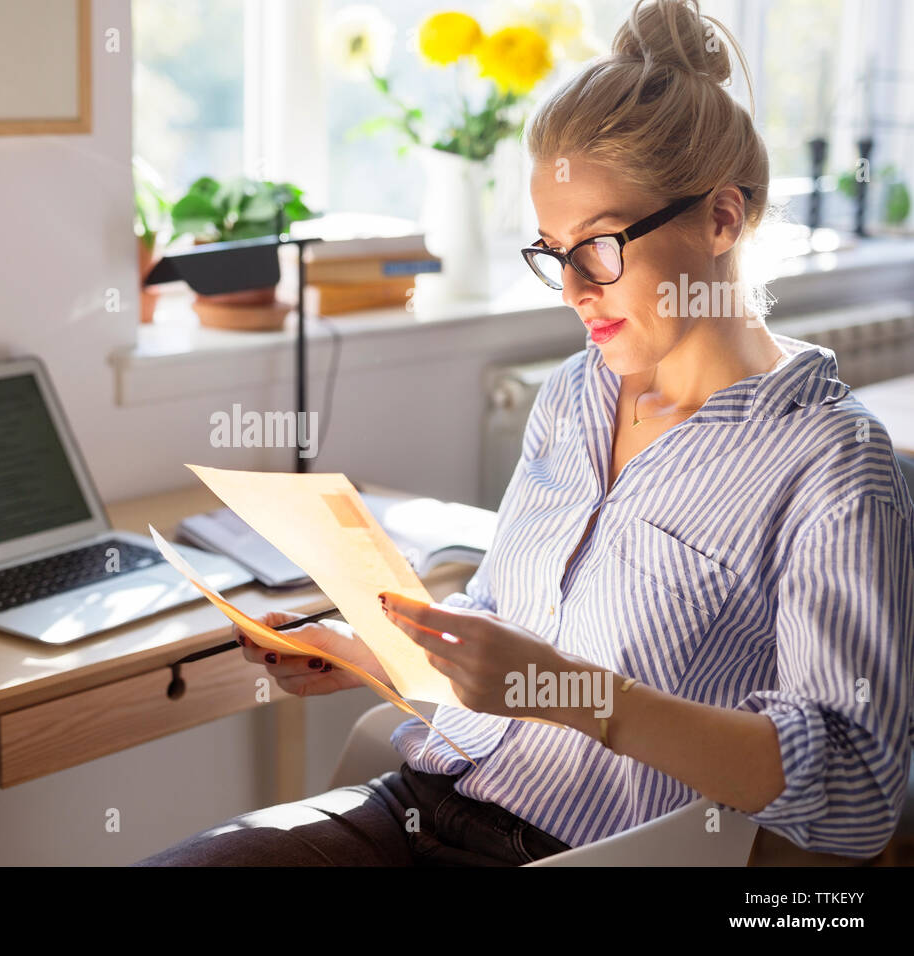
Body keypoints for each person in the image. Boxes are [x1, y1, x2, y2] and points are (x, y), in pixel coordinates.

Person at [132, 0, 914, 866]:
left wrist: (576, 694)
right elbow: (501, 630)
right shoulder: (573, 396)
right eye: (551, 251)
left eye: (602, 244)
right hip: (425, 803)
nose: (576, 288)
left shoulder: (833, 466)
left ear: (722, 219)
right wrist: (369, 651)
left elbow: (856, 793)